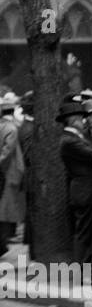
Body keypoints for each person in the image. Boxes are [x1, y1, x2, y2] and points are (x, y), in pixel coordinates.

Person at [60, 99, 92, 267]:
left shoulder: (76, 137)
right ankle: (81, 268)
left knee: (90, 232)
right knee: (84, 233)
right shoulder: (69, 140)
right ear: (74, 119)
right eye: (82, 118)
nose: (84, 121)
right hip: (85, 192)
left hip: (90, 191)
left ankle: (87, 267)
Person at [0, 94, 25, 254]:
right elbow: (7, 152)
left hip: (5, 173)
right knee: (5, 210)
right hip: (8, 172)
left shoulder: (5, 127)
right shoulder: (11, 128)